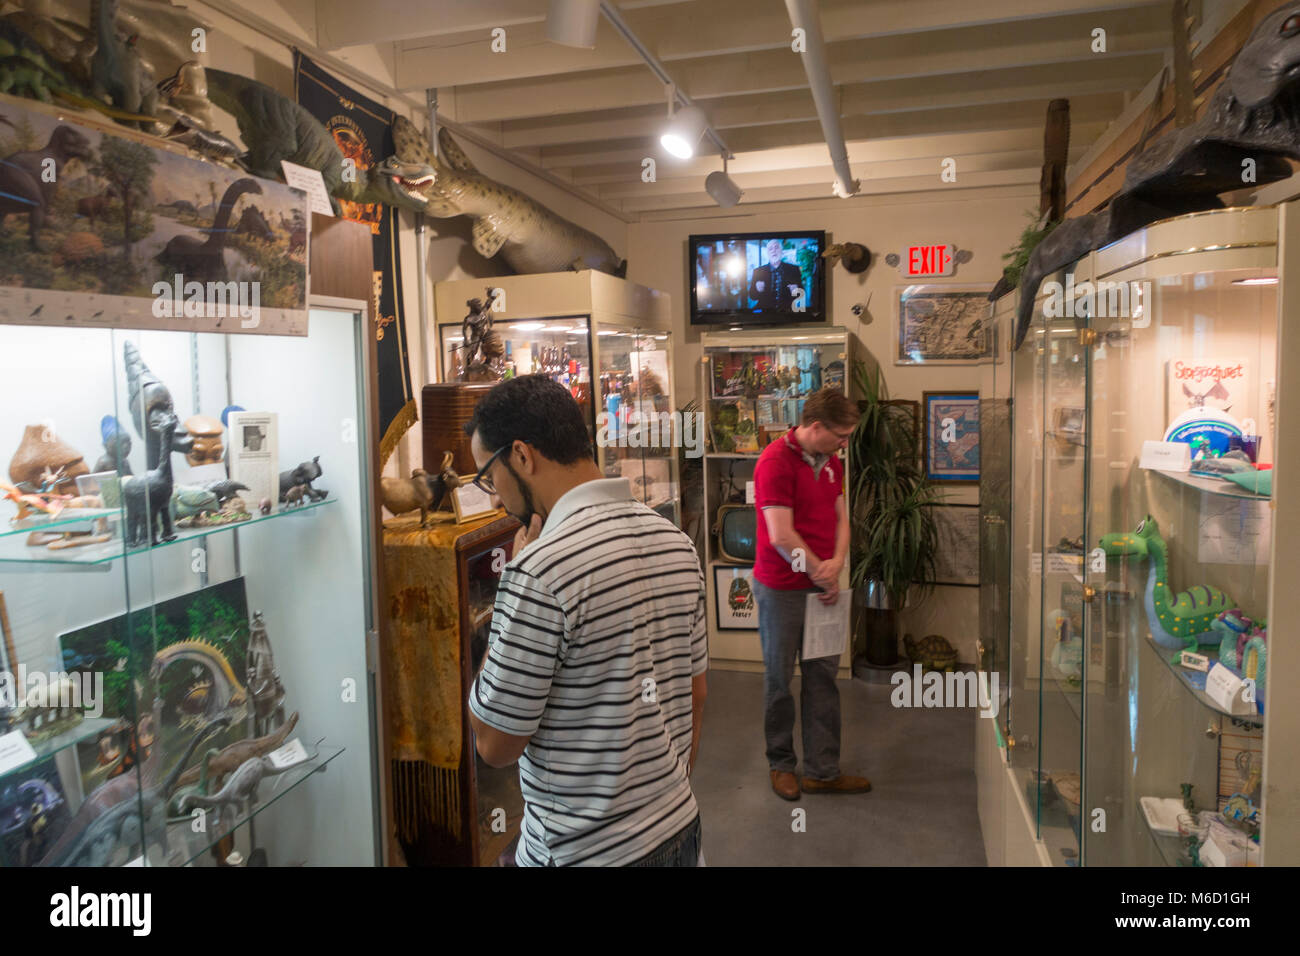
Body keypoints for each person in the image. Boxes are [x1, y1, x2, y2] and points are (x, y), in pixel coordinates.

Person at [464, 375, 709, 866]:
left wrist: (510, 587)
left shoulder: (537, 570)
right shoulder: (675, 540)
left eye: (490, 477)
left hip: (583, 850)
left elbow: (494, 743)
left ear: (521, 456)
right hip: (679, 825)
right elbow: (695, 691)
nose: (494, 497)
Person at [752, 387, 870, 801]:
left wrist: (836, 563)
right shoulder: (773, 462)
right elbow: (780, 535)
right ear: (815, 427)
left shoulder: (832, 461)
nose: (845, 443)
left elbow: (841, 517)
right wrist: (820, 572)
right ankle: (781, 764)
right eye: (840, 435)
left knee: (823, 679)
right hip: (781, 589)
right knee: (778, 680)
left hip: (822, 584)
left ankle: (823, 769)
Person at [749, 239, 804, 310]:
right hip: (765, 313)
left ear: (781, 251)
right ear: (767, 253)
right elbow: (752, 296)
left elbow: (801, 296)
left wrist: (797, 291)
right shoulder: (758, 271)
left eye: (776, 247)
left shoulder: (794, 269)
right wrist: (757, 290)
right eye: (770, 249)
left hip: (788, 312)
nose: (773, 251)